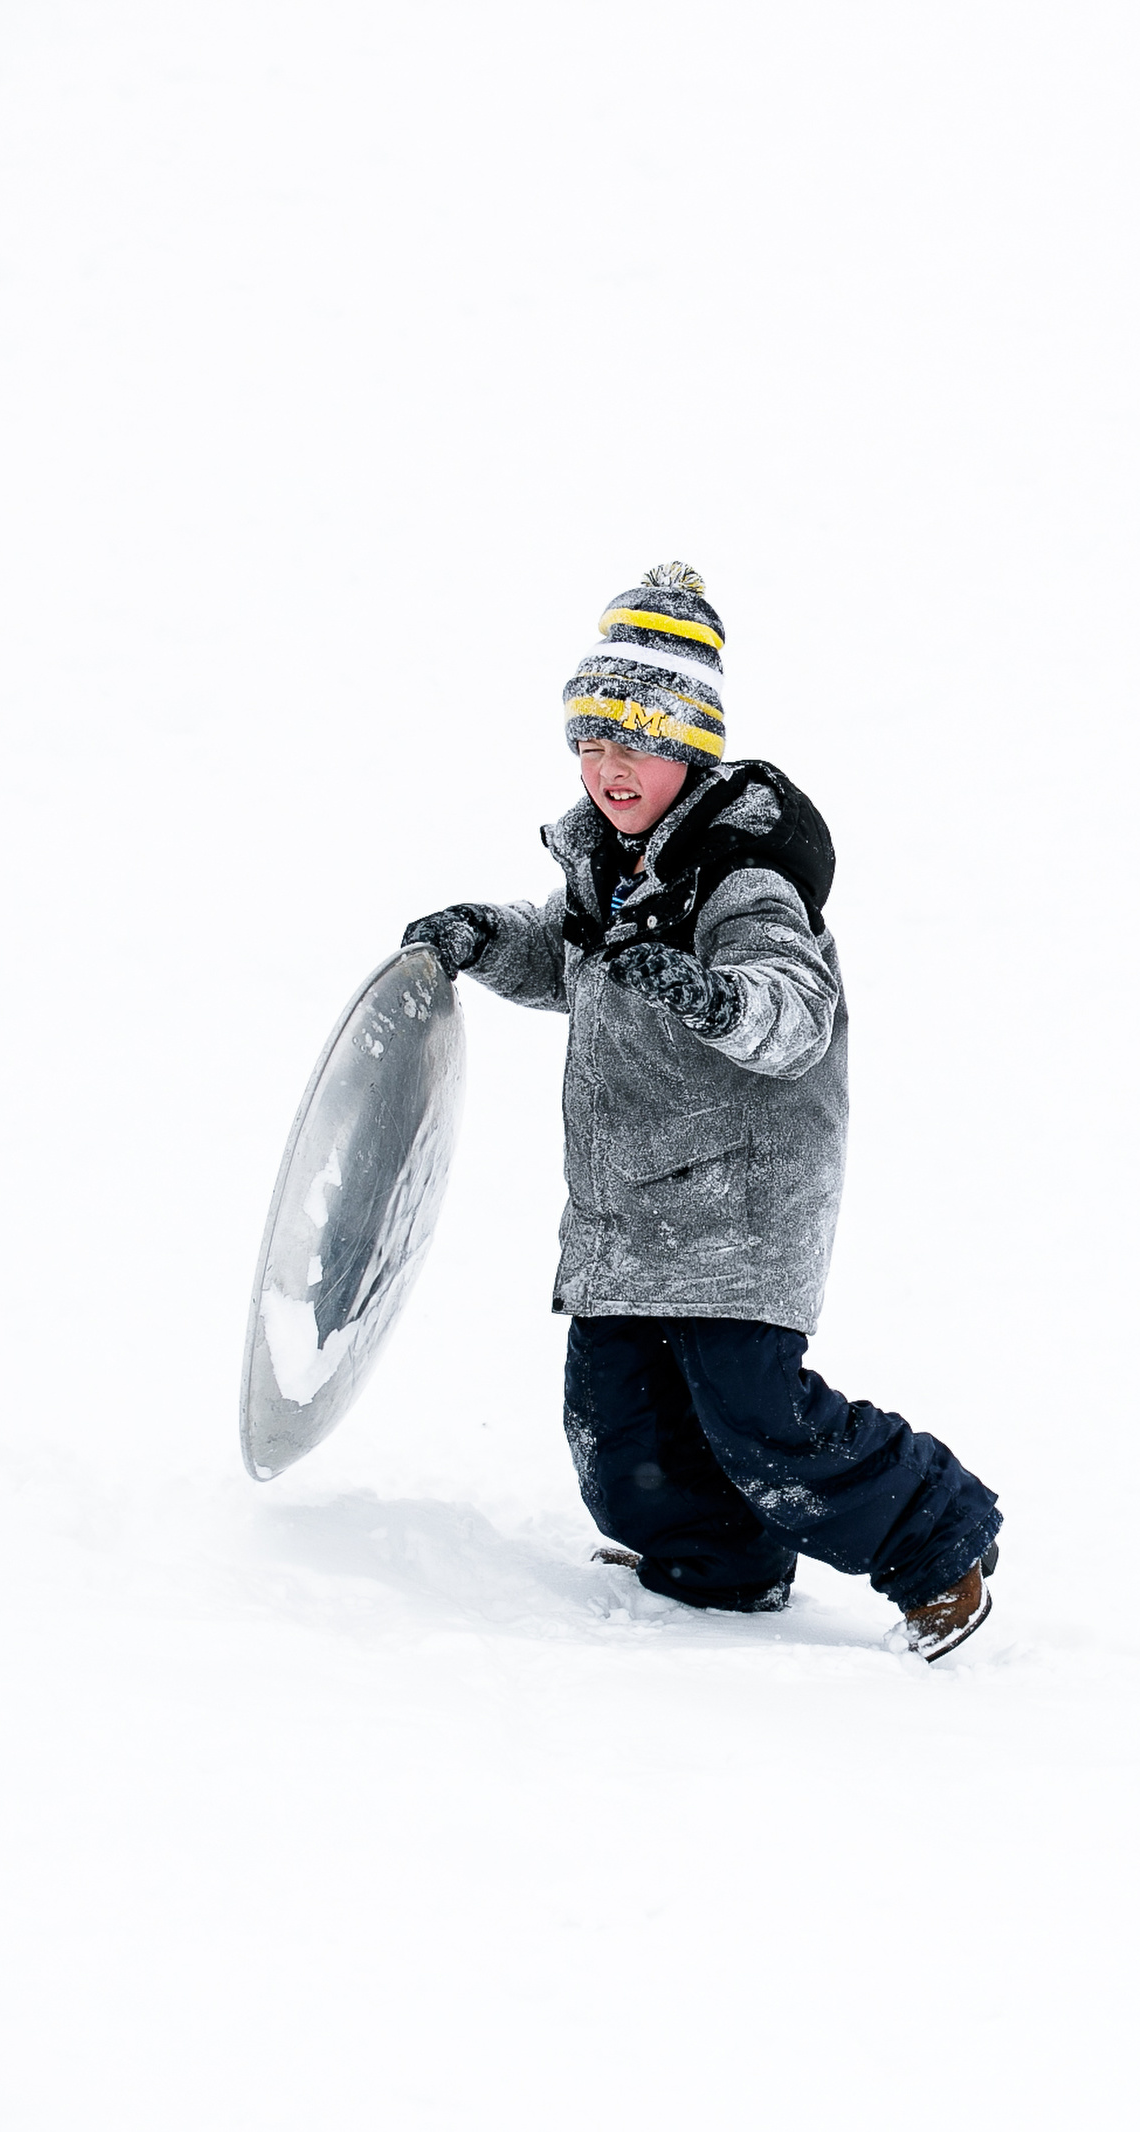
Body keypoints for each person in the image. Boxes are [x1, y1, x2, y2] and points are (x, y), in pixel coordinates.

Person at [401, 562, 1005, 1660]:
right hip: (627, 1211)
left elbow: (791, 1011)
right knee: (618, 1428)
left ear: (689, 748)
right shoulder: (612, 869)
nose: (608, 766)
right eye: (590, 742)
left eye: (633, 742)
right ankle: (716, 1564)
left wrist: (709, 991)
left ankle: (937, 1546)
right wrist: (481, 937)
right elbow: (564, 953)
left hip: (737, 1203)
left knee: (758, 1420)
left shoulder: (740, 875)